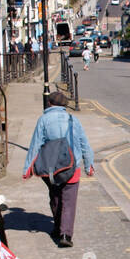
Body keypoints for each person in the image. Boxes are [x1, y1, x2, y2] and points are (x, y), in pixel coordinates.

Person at [23, 91, 94, 248]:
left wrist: (27, 168)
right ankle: (65, 234)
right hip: (71, 167)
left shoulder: (43, 120)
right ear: (64, 105)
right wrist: (89, 165)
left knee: (55, 197)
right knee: (69, 200)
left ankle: (57, 228)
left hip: (51, 169)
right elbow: (84, 145)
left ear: (49, 104)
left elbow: (35, 145)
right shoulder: (73, 120)